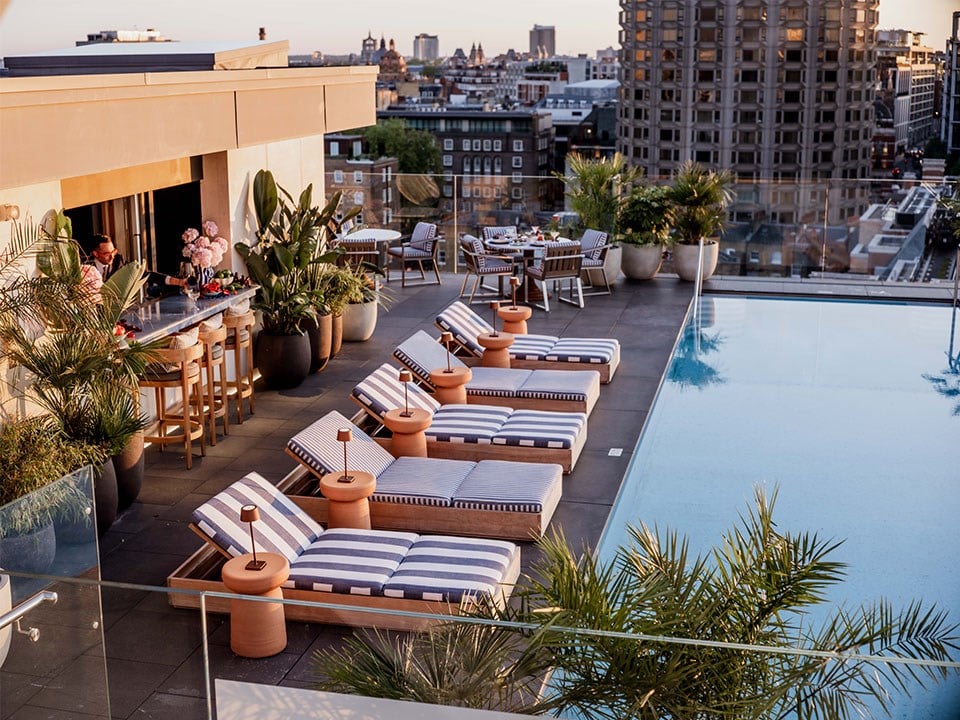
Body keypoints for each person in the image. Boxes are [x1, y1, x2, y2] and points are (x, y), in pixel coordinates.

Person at [87, 234, 187, 297]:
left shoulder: (118, 260)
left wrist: (178, 282)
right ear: (96, 254)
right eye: (107, 254)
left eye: (113, 251)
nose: (112, 256)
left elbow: (146, 275)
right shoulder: (85, 267)